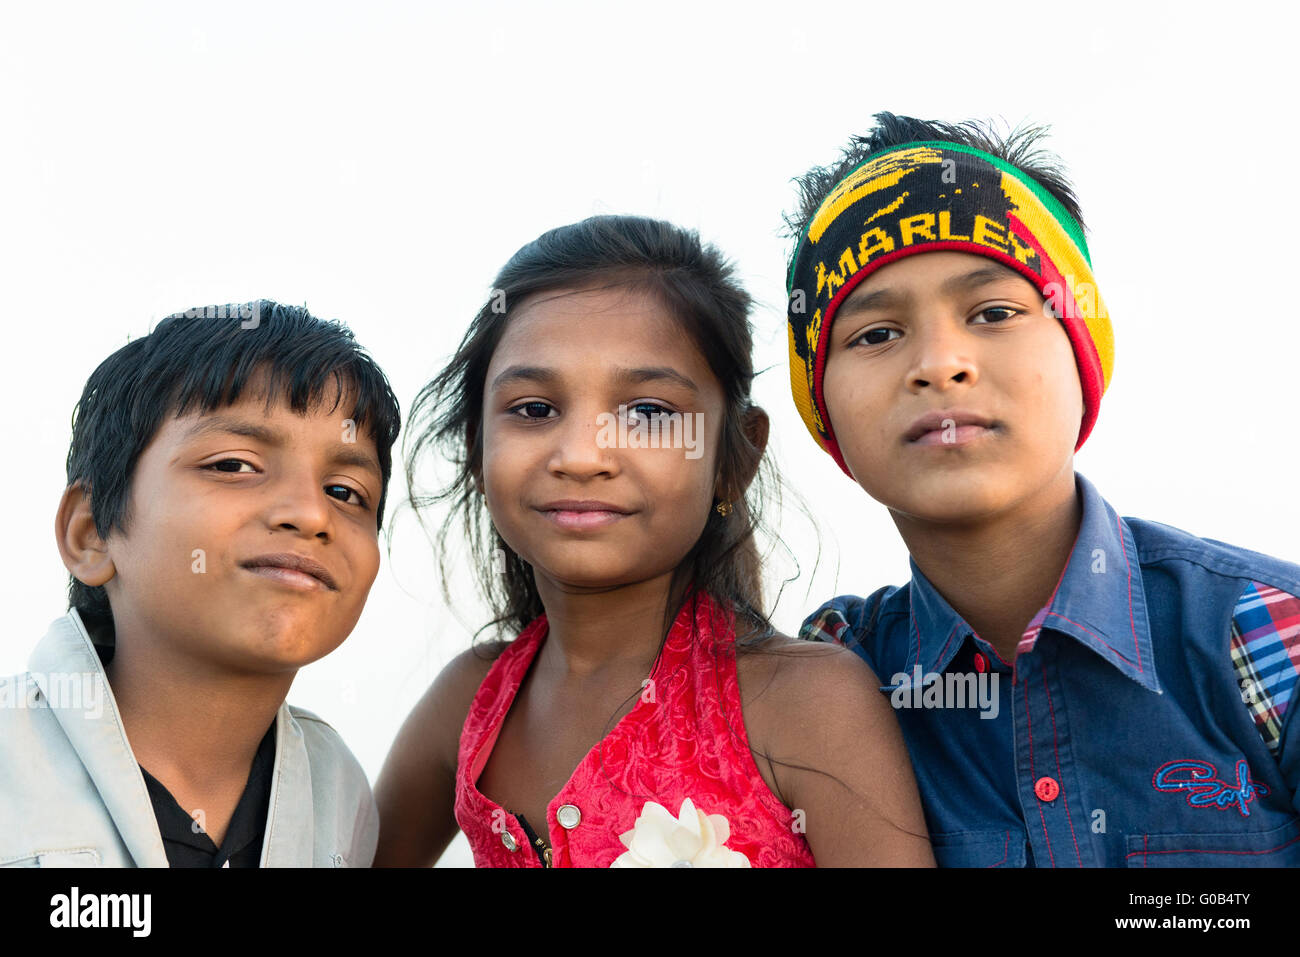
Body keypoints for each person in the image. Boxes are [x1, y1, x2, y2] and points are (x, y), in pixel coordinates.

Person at [787, 113, 1300, 866]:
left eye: (994, 312)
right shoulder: (836, 674)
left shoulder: (1266, 633)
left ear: (1083, 357)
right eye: (875, 333)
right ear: (823, 409)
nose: (940, 362)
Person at [375, 215, 933, 867]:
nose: (582, 455)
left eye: (648, 413)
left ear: (735, 458)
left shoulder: (809, 703)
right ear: (476, 448)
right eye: (533, 409)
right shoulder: (471, 704)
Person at [0, 301, 401, 867]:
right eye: (234, 465)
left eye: (345, 491)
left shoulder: (339, 794)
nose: (311, 514)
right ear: (92, 534)